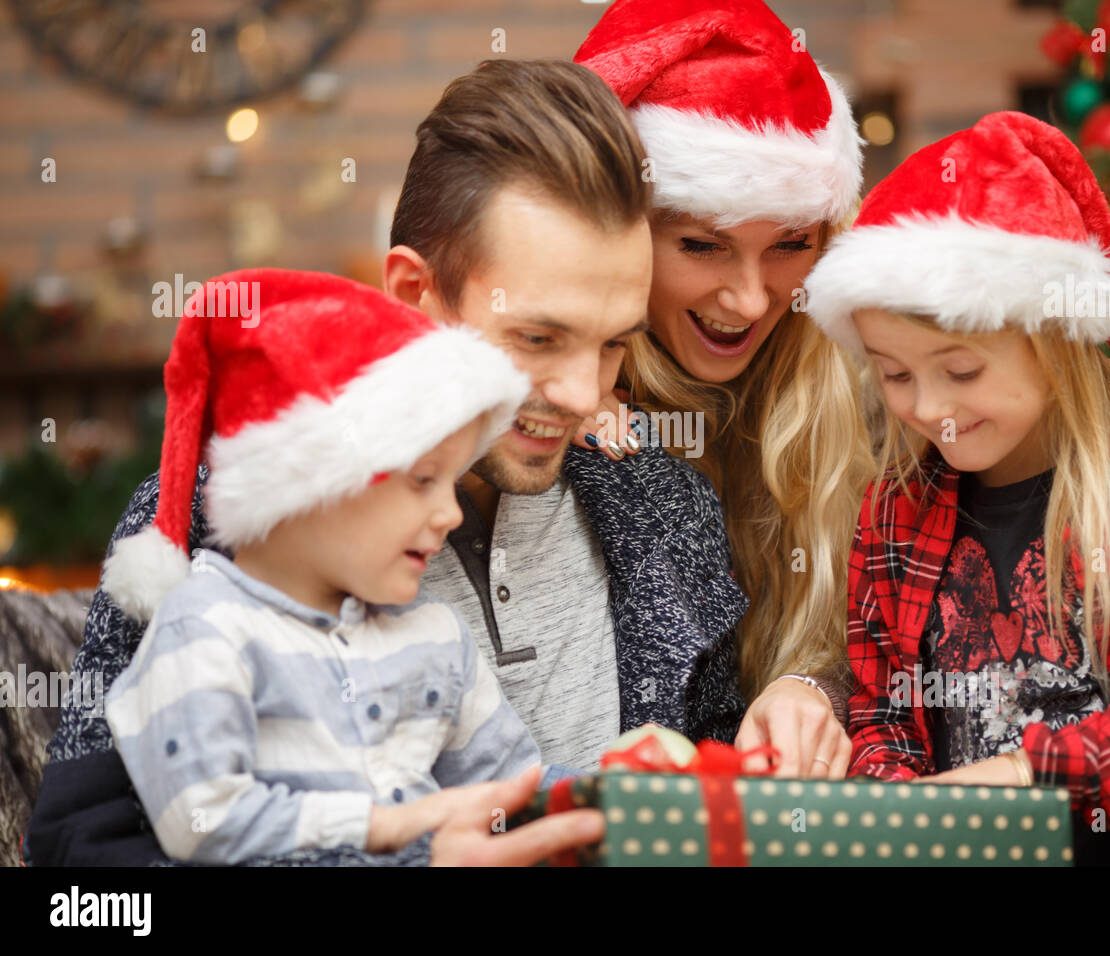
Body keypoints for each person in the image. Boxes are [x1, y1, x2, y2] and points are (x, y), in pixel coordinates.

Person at [26, 59, 741, 868]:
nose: (583, 392)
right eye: (538, 339)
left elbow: (719, 812)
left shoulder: (665, 510)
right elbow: (78, 883)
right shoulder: (219, 513)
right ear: (412, 292)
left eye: (614, 343)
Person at [804, 110, 1110, 865]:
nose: (928, 409)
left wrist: (1025, 771)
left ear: (1056, 344)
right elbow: (879, 709)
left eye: (960, 371)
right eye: (895, 374)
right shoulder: (894, 510)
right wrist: (903, 811)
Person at [99, 269, 587, 863]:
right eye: (423, 480)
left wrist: (604, 795)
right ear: (307, 483)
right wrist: (383, 827)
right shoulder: (203, 630)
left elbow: (508, 789)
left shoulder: (433, 634)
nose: (450, 513)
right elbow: (201, 820)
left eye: (451, 482)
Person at [571, 0, 875, 778]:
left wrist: (814, 688)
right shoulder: (548, 417)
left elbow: (887, 642)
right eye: (702, 244)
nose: (746, 299)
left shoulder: (875, 381)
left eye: (789, 246)